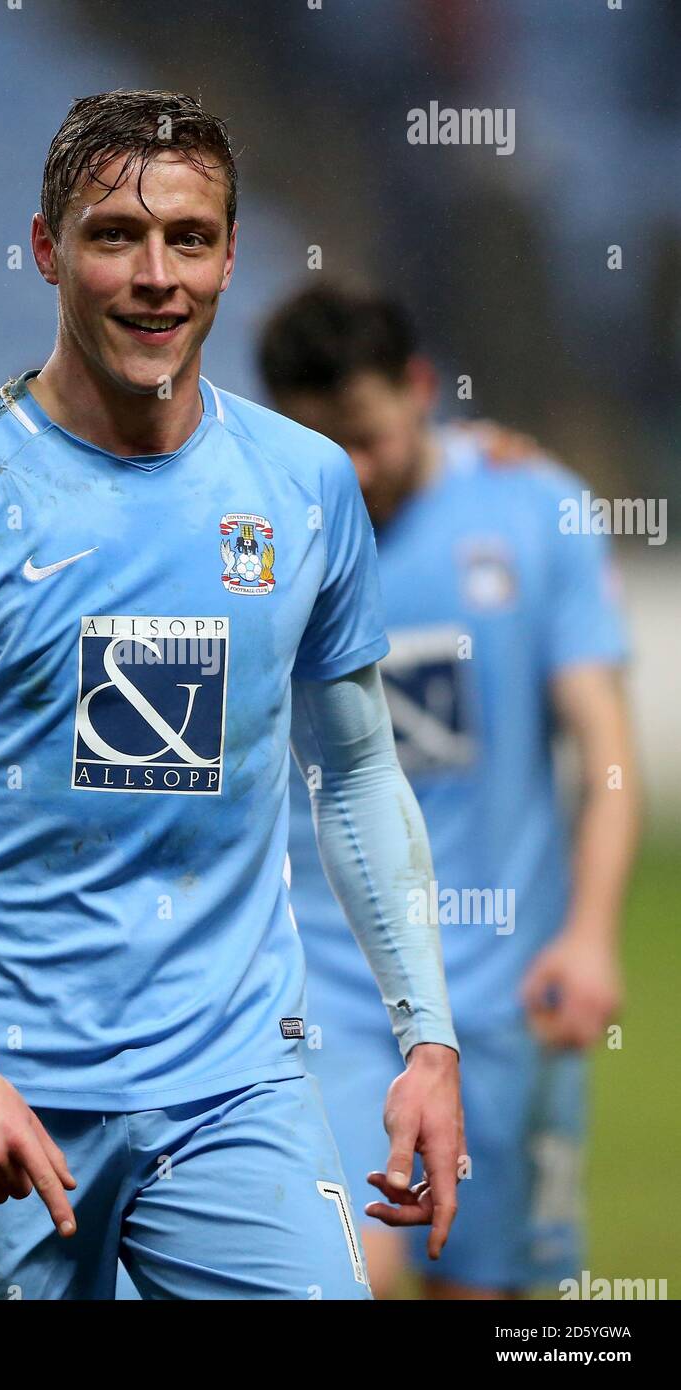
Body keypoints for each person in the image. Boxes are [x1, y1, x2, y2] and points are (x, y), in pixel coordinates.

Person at [0, 90, 463, 1301]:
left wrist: (427, 1034)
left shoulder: (306, 487)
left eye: (190, 239)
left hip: (232, 1087)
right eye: (114, 235)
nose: (157, 276)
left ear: (227, 256)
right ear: (48, 250)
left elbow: (359, 768)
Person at [259, 283, 639, 1299]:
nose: (351, 473)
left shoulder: (535, 506)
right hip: (324, 992)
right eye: (318, 447)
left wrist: (591, 932)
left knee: (487, 1296)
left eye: (366, 438)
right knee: (347, 1275)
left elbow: (605, 750)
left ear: (421, 389)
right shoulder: (252, 537)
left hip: (506, 986)